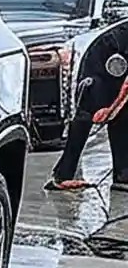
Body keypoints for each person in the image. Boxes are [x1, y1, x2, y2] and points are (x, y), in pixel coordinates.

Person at [47, 24, 128, 192]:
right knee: (91, 112)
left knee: (122, 116)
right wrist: (111, 107)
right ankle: (63, 175)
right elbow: (124, 87)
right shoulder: (112, 44)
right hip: (105, 63)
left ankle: (123, 175)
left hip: (116, 60)